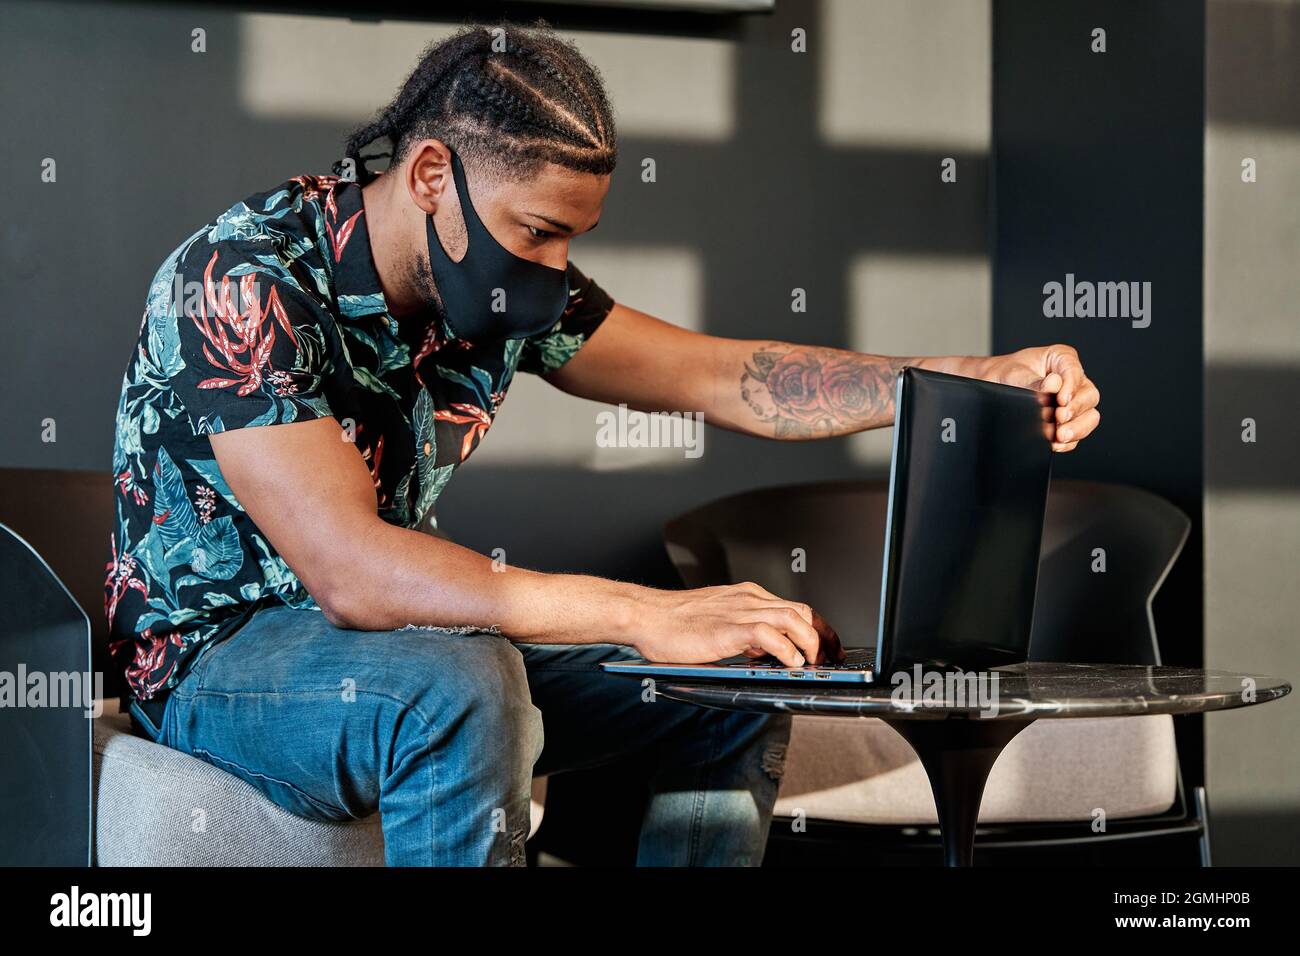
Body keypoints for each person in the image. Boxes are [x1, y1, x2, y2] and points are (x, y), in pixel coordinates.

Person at [107, 23, 1100, 866]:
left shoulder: (495, 284)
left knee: (731, 683)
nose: (555, 266)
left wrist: (962, 380)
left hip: (398, 642)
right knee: (460, 684)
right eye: (537, 231)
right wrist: (645, 612)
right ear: (428, 177)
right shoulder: (242, 276)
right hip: (216, 660)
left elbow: (724, 377)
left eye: (571, 238)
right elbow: (351, 571)